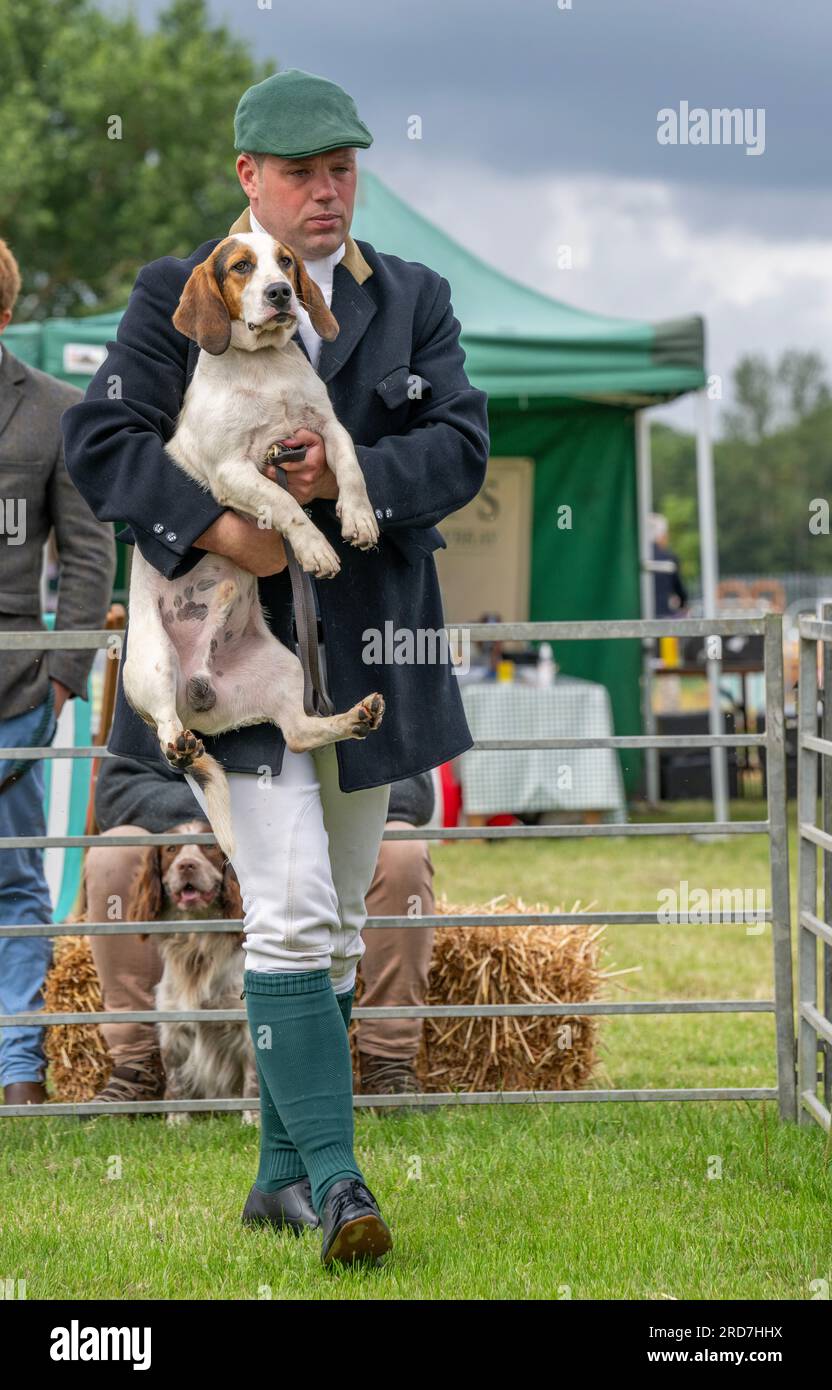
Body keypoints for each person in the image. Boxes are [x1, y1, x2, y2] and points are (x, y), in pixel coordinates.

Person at [62, 69, 489, 1266]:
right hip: (222, 660)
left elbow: (460, 446)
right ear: (249, 178)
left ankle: (272, 1178)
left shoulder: (414, 299)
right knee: (292, 907)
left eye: (342, 168)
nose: (326, 191)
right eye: (301, 173)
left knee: (341, 923)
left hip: (369, 660)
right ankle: (344, 1189)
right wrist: (229, 529)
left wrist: (339, 485)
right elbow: (105, 441)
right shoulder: (172, 294)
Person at [84, 756, 438, 1108]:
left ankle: (387, 1061)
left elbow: (409, 791)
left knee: (402, 849)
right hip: (214, 830)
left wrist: (295, 808)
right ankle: (141, 1064)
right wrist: (240, 810)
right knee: (111, 854)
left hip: (330, 822)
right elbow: (117, 792)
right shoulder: (156, 697)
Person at [0, 237, 115, 1107]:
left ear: (6, 312)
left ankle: (17, 1076)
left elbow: (88, 555)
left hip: (14, 692)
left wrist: (65, 678)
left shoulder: (55, 411)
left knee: (14, 883)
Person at [650, 512, 688, 617]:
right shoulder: (669, 558)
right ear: (662, 535)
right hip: (664, 616)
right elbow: (680, 592)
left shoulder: (634, 557)